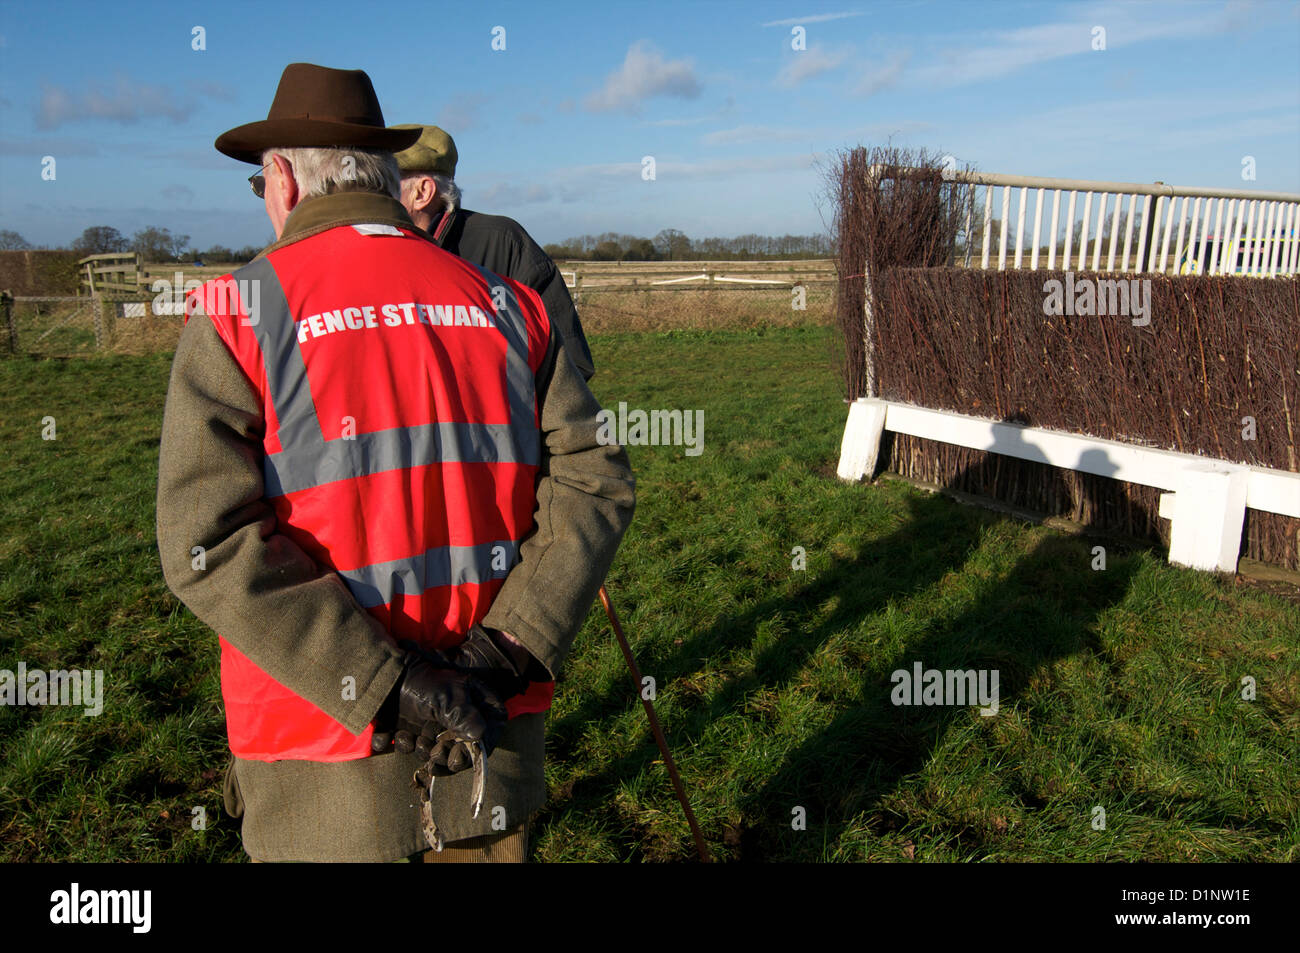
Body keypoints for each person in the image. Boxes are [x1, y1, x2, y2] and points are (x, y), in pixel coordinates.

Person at [155, 63, 635, 863]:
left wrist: (385, 685)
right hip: (489, 751)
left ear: (281, 179)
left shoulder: (238, 315)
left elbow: (204, 543)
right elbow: (597, 479)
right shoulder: (508, 306)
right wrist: (507, 647)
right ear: (386, 176)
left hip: (322, 773)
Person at [390, 124, 595, 381]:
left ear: (422, 192)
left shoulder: (505, 244)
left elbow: (571, 365)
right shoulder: (371, 252)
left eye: (381, 185)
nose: (366, 196)